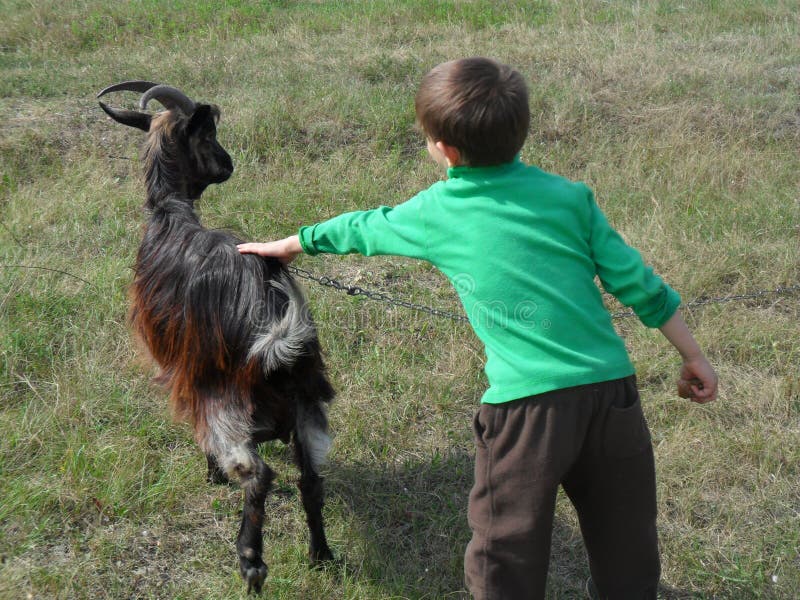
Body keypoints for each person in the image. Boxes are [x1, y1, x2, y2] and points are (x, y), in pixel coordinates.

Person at [238, 57, 718, 600]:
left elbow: (365, 228)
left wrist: (292, 243)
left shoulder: (440, 209)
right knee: (627, 539)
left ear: (445, 149)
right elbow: (642, 286)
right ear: (522, 131)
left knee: (503, 549)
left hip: (525, 412)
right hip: (613, 398)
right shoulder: (571, 198)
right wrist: (693, 356)